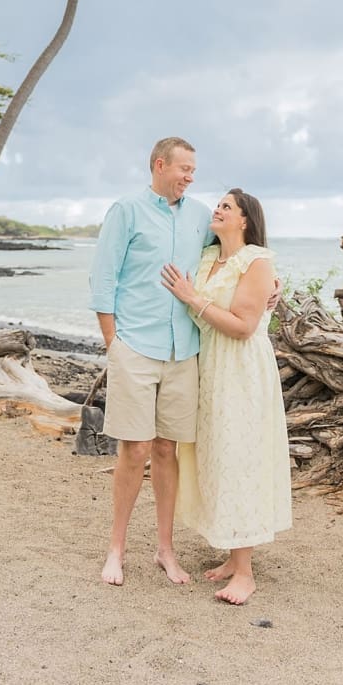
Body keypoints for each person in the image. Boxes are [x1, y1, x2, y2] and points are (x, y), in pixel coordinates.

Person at [89, 137, 213, 586]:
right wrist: (113, 344)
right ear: (160, 165)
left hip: (183, 350)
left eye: (193, 170)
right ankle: (116, 549)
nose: (190, 177)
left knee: (166, 449)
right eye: (184, 169)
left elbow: (235, 252)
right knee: (135, 449)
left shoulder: (201, 216)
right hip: (135, 346)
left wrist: (269, 282)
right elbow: (103, 278)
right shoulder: (126, 210)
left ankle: (165, 550)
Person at [160, 188, 292, 605]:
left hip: (241, 369)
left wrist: (192, 298)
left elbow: (243, 326)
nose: (217, 209)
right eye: (217, 204)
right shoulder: (208, 257)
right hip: (211, 366)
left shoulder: (256, 261)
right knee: (219, 456)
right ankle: (234, 558)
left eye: (226, 207)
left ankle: (246, 573)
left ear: (245, 220)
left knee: (241, 459)